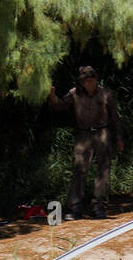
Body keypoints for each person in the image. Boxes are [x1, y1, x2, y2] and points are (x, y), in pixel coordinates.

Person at [48, 65, 124, 220]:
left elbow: (115, 117)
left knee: (103, 170)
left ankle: (99, 207)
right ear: (81, 82)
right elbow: (59, 106)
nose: (88, 83)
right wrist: (52, 95)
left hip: (102, 133)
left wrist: (119, 138)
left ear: (95, 79)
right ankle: (75, 208)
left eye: (91, 80)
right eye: (85, 81)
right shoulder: (74, 93)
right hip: (83, 134)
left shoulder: (106, 94)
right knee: (79, 170)